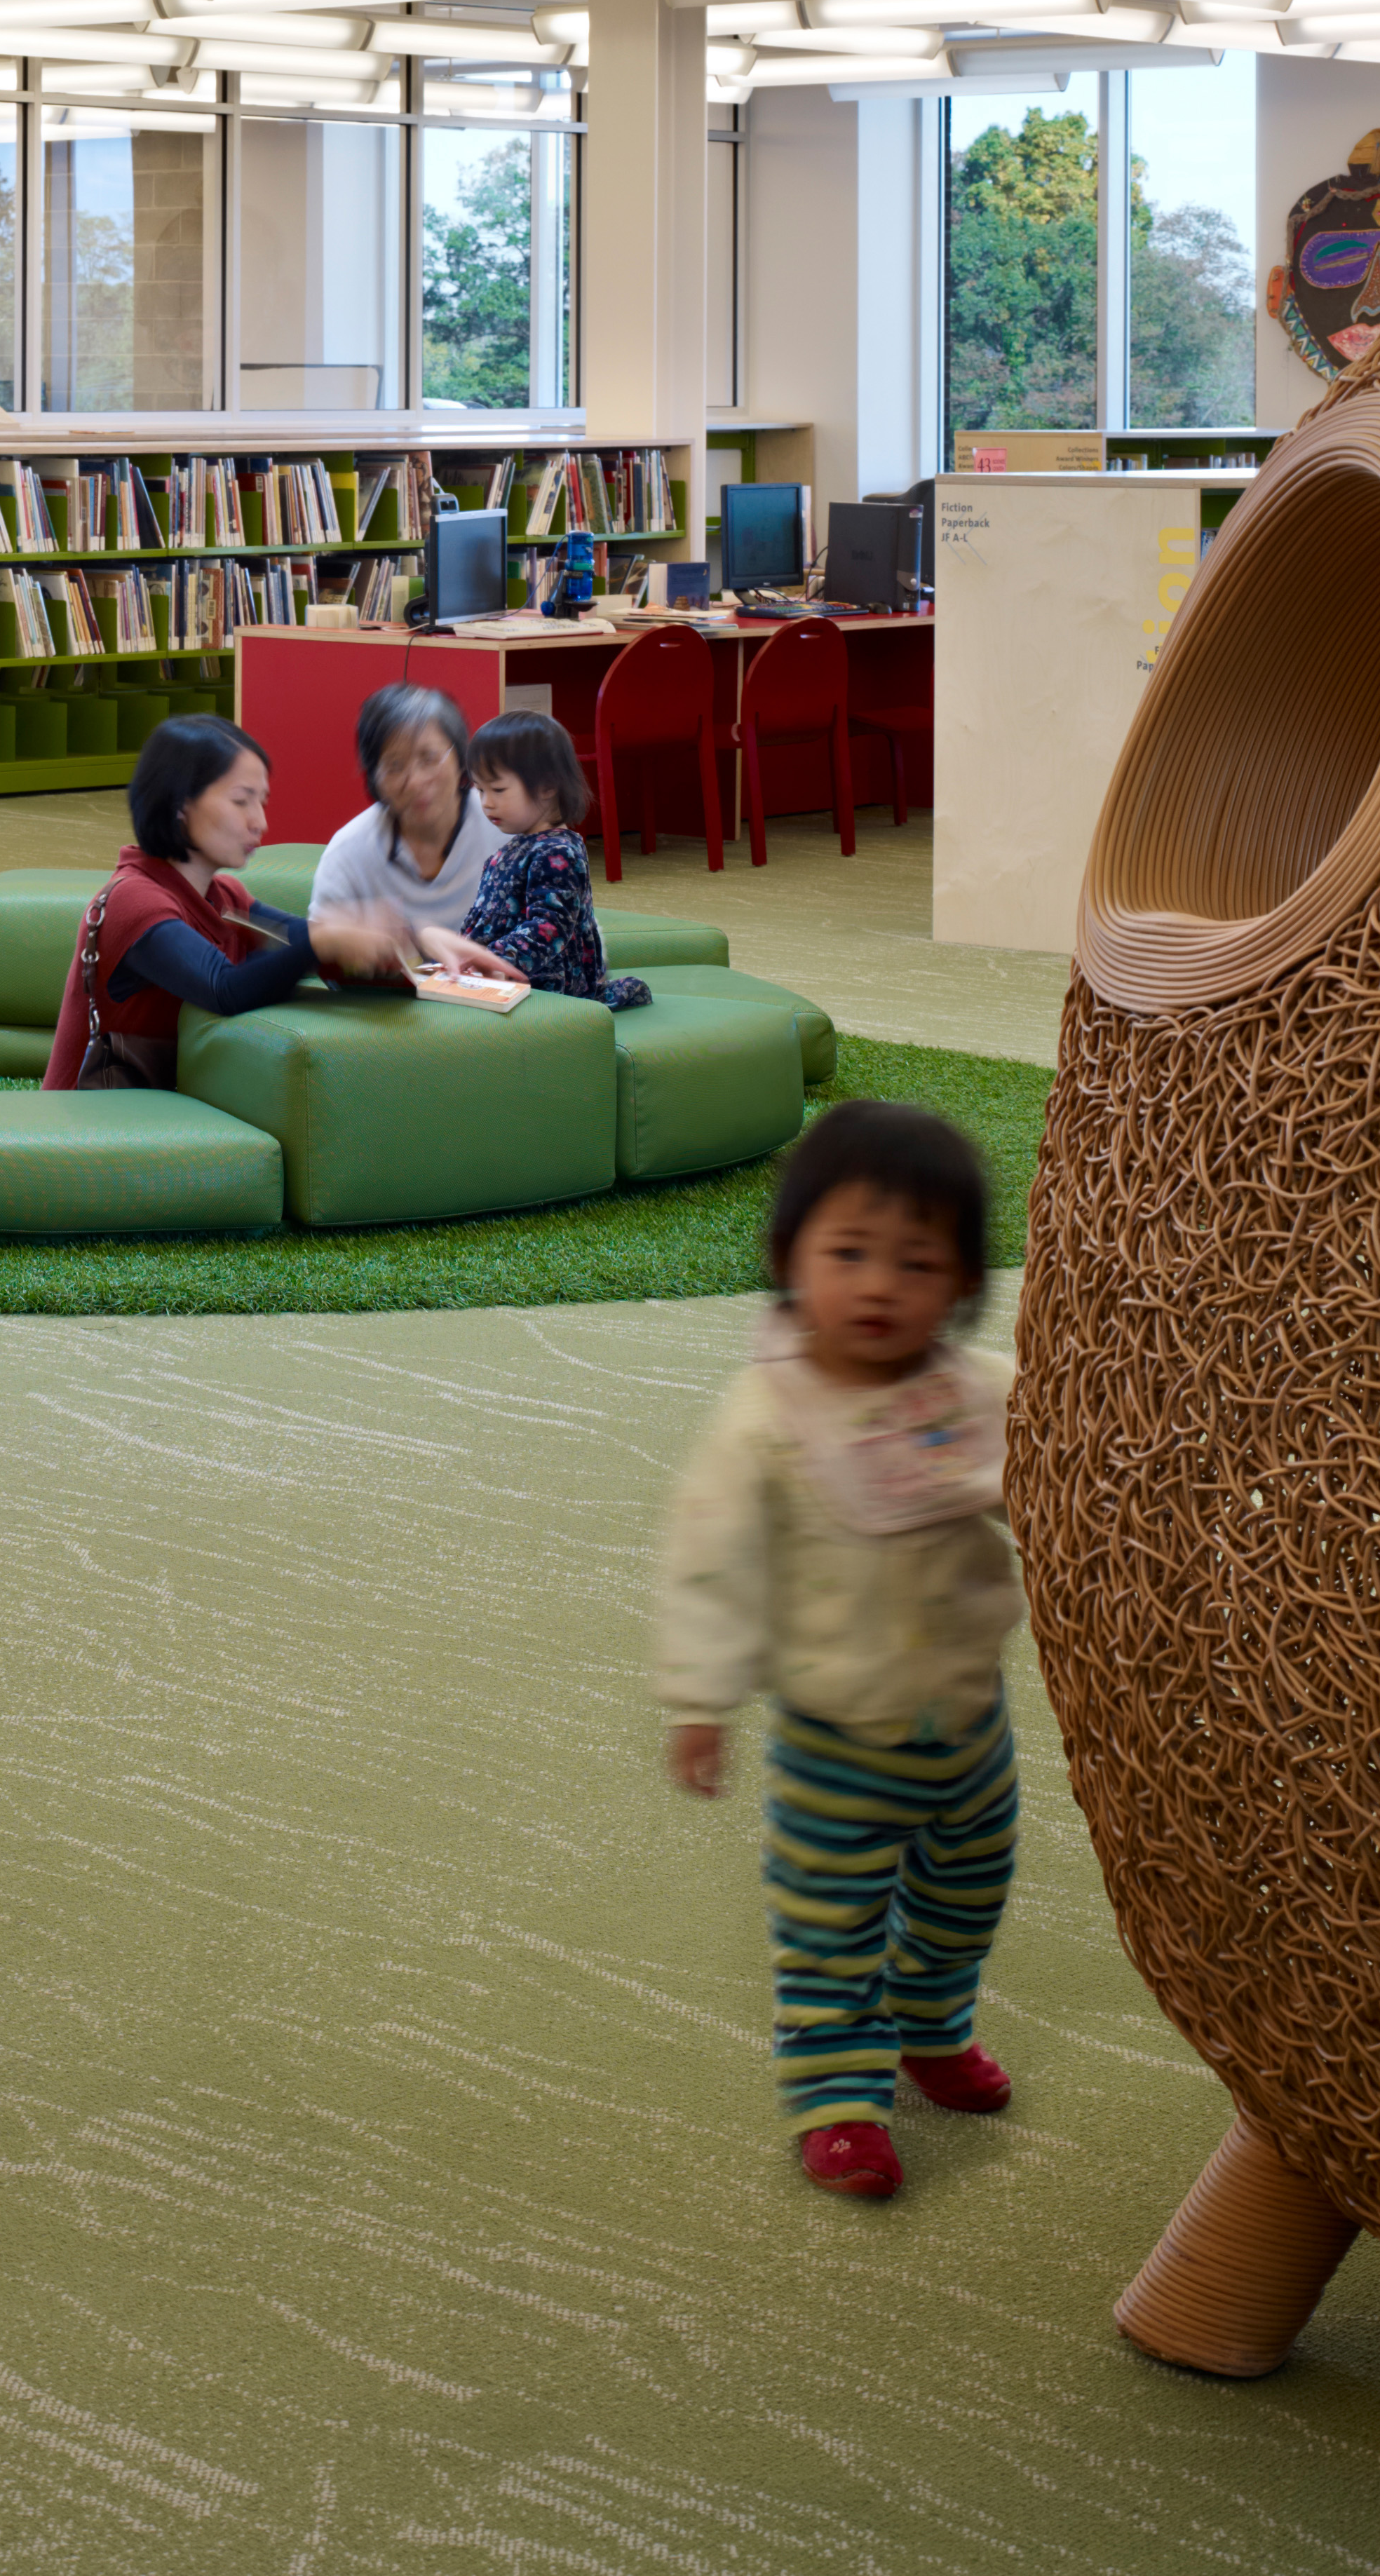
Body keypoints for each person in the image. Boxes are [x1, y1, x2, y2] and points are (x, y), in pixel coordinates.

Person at [651, 1100, 1017, 2202]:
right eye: (848, 1252)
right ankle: (838, 2094)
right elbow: (709, 1557)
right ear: (786, 1258)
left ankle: (931, 2025)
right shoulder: (768, 1415)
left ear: (959, 1285)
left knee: (969, 1894)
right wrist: (701, 1695)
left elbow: (1059, 1464)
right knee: (830, 1925)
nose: (877, 1285)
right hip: (835, 1739)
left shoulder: (977, 1391)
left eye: (917, 1262)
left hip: (968, 1723)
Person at [44, 715, 374, 1087]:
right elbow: (225, 988)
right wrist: (323, 941)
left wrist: (405, 940)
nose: (260, 822)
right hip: (95, 1126)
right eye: (241, 801)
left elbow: (304, 941)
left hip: (160, 1114)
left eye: (261, 802)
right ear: (180, 804)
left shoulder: (226, 897)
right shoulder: (134, 900)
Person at [421, 714, 649, 1010]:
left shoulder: (557, 853)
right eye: (480, 790)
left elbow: (549, 927)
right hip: (496, 973)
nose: (486, 802)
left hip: (543, 984)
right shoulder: (519, 846)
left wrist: (494, 960)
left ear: (547, 787)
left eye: (498, 790)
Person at [304, 682, 496, 979]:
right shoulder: (350, 851)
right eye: (395, 766)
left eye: (429, 759)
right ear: (374, 778)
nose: (416, 781)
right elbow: (321, 951)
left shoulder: (506, 831)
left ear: (460, 758)